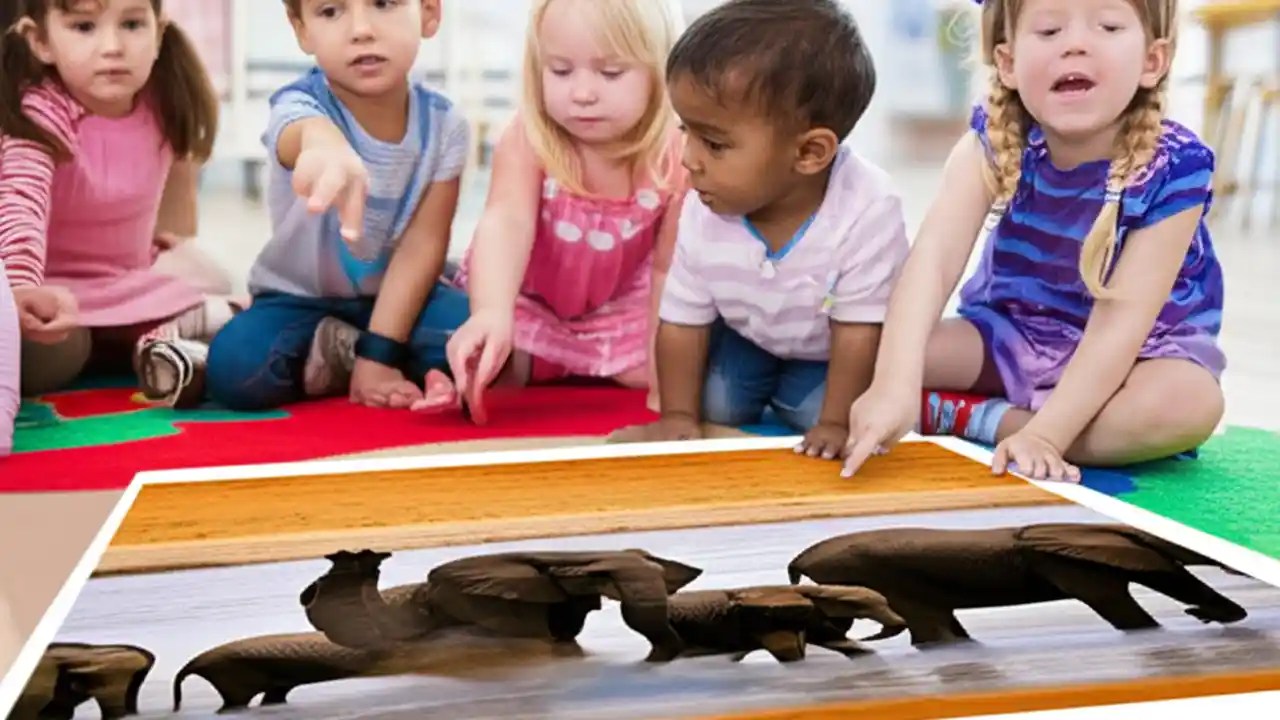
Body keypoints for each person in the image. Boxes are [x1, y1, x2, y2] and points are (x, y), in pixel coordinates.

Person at [841, 0, 1224, 482]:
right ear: (1008, 63)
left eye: (1107, 26)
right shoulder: (996, 138)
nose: (1076, 44)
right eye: (1048, 30)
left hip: (1139, 355)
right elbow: (934, 260)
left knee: (1187, 405)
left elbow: (1120, 325)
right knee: (874, 346)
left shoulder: (1177, 168)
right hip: (1013, 335)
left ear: (1153, 60)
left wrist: (1047, 437)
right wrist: (893, 383)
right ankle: (964, 411)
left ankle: (982, 420)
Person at [620, 0, 909, 458]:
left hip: (829, 353)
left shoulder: (868, 209)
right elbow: (681, 320)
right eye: (686, 133)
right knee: (716, 405)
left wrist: (836, 422)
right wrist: (676, 416)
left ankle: (801, 399)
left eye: (713, 143)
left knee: (822, 417)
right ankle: (773, 390)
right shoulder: (704, 205)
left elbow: (859, 331)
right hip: (748, 338)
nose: (689, 159)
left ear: (810, 153)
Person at [412, 0, 688, 421]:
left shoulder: (677, 153)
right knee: (469, 349)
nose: (581, 93)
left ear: (662, 70)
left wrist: (663, 364)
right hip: (528, 304)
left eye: (610, 73)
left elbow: (669, 269)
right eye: (560, 71)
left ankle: (565, 362)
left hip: (617, 313)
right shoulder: (529, 137)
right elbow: (507, 221)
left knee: (684, 364)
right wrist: (492, 312)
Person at [202, 0, 471, 412]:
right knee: (235, 369)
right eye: (330, 11)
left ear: (429, 12)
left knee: (480, 340)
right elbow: (302, 133)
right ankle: (345, 353)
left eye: (384, 4)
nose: (360, 29)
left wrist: (380, 353)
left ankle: (358, 354)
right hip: (299, 298)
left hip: (403, 297)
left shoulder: (446, 126)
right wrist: (323, 146)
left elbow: (424, 245)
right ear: (301, 29)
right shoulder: (297, 106)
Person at [0, 0, 233, 408]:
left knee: (225, 296)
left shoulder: (165, 100)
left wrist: (169, 250)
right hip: (54, 296)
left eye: (131, 24)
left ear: (159, 34)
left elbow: (177, 213)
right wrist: (22, 287)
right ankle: (144, 347)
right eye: (84, 27)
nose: (113, 46)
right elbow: (21, 203)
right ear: (40, 42)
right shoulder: (42, 111)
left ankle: (152, 344)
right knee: (50, 355)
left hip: (129, 286)